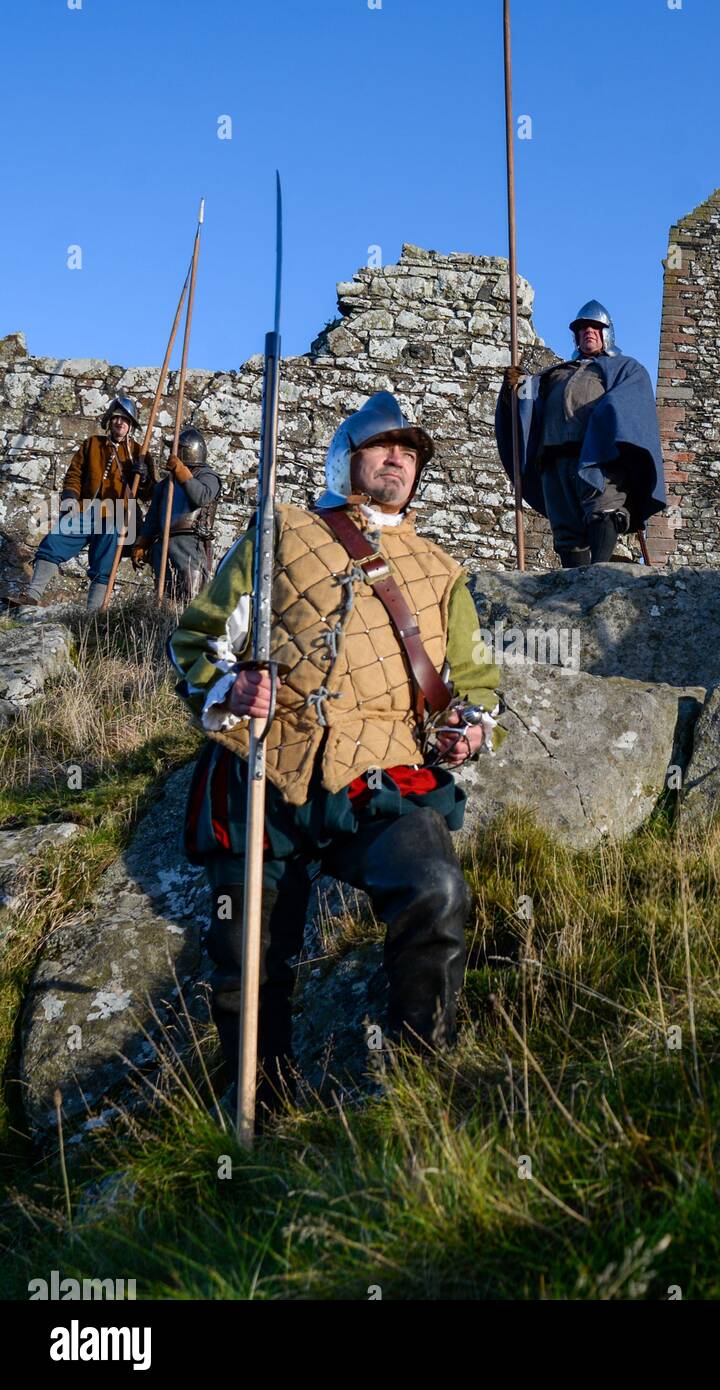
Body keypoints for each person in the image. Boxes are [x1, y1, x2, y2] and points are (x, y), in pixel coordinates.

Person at [169, 391, 503, 1113]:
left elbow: (472, 684)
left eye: (410, 453)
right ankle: (263, 1105)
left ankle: (420, 1089)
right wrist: (233, 686)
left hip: (381, 769)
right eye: (385, 445)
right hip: (266, 759)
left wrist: (468, 725)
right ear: (345, 455)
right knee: (247, 951)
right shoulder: (278, 534)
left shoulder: (443, 573)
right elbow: (195, 642)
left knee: (435, 890)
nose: (398, 460)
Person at [495, 300, 666, 566]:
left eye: (595, 327)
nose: (589, 332)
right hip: (553, 458)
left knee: (603, 511)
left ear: (607, 332)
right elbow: (530, 407)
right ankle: (575, 586)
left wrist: (603, 418)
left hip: (598, 455)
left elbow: (631, 402)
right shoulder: (556, 374)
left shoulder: (624, 368)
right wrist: (516, 389)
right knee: (566, 530)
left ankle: (599, 575)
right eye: (583, 328)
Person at [12, 396, 153, 611]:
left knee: (104, 565)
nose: (119, 423)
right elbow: (74, 474)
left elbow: (149, 493)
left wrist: (143, 479)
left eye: (125, 420)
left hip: (116, 516)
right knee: (53, 543)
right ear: (109, 420)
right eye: (116, 418)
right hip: (85, 509)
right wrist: (69, 497)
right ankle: (32, 595)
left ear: (131, 425)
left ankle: (92, 617)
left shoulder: (140, 454)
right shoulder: (92, 444)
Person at [133, 427, 220, 604]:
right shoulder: (166, 484)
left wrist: (181, 470)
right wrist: (142, 543)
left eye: (177, 449)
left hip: (190, 542)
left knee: (192, 597)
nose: (173, 453)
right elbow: (153, 519)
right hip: (163, 543)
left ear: (189, 450)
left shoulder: (207, 476)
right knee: (165, 599)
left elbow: (201, 497)